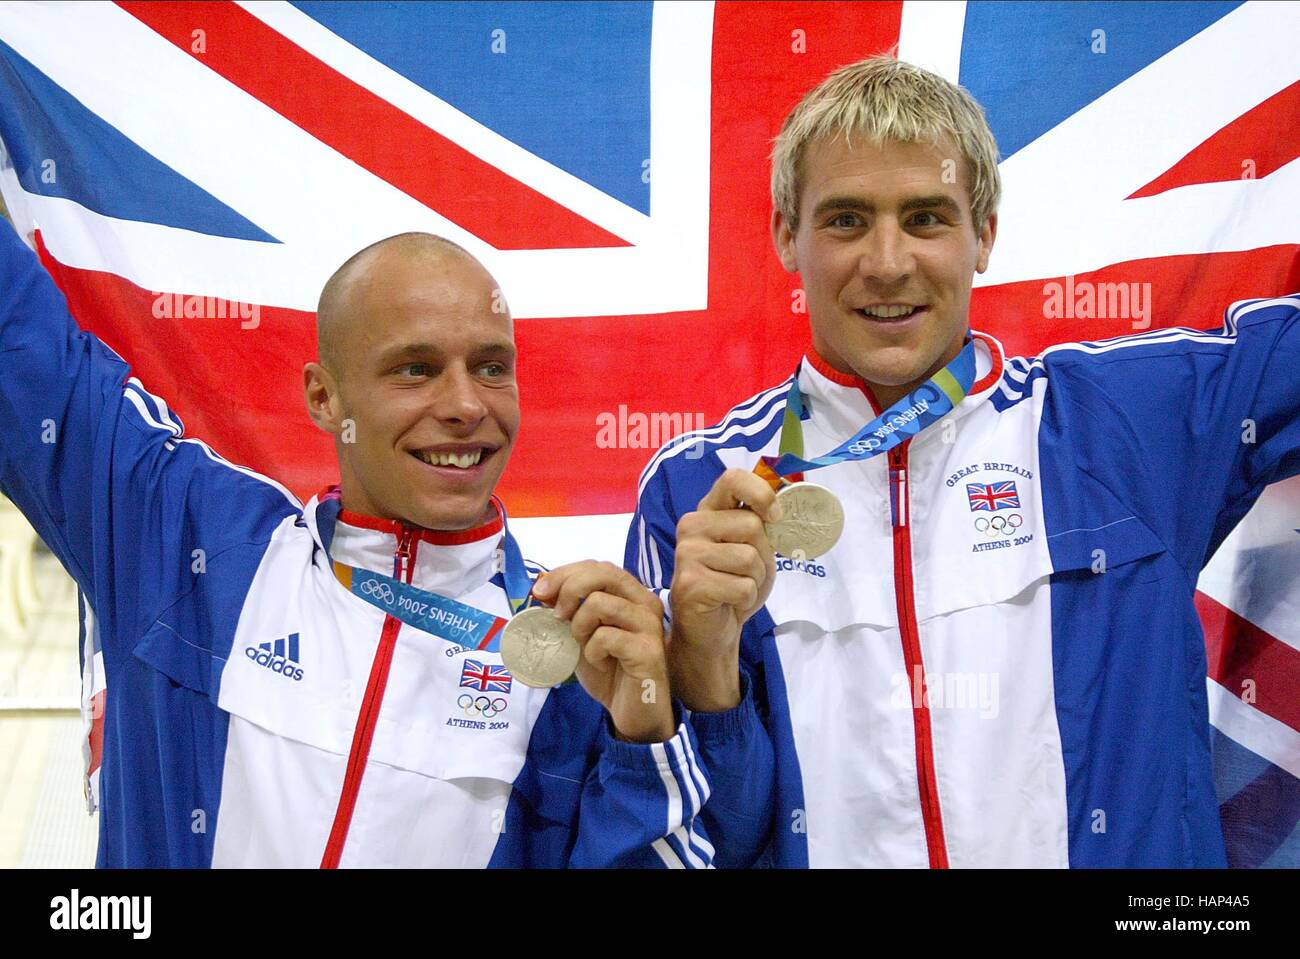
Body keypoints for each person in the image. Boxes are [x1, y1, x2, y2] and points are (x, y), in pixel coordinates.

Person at [626, 55, 1300, 867]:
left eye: (925, 218)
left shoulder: (1124, 424)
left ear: (983, 234)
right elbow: (715, 839)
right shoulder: (698, 489)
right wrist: (702, 668)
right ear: (784, 236)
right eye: (844, 220)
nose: (886, 262)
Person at [0, 225, 733, 867]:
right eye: (415, 368)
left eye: (490, 366)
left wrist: (648, 735)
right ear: (324, 397)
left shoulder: (575, 650)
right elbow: (23, 349)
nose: (465, 406)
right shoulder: (187, 538)